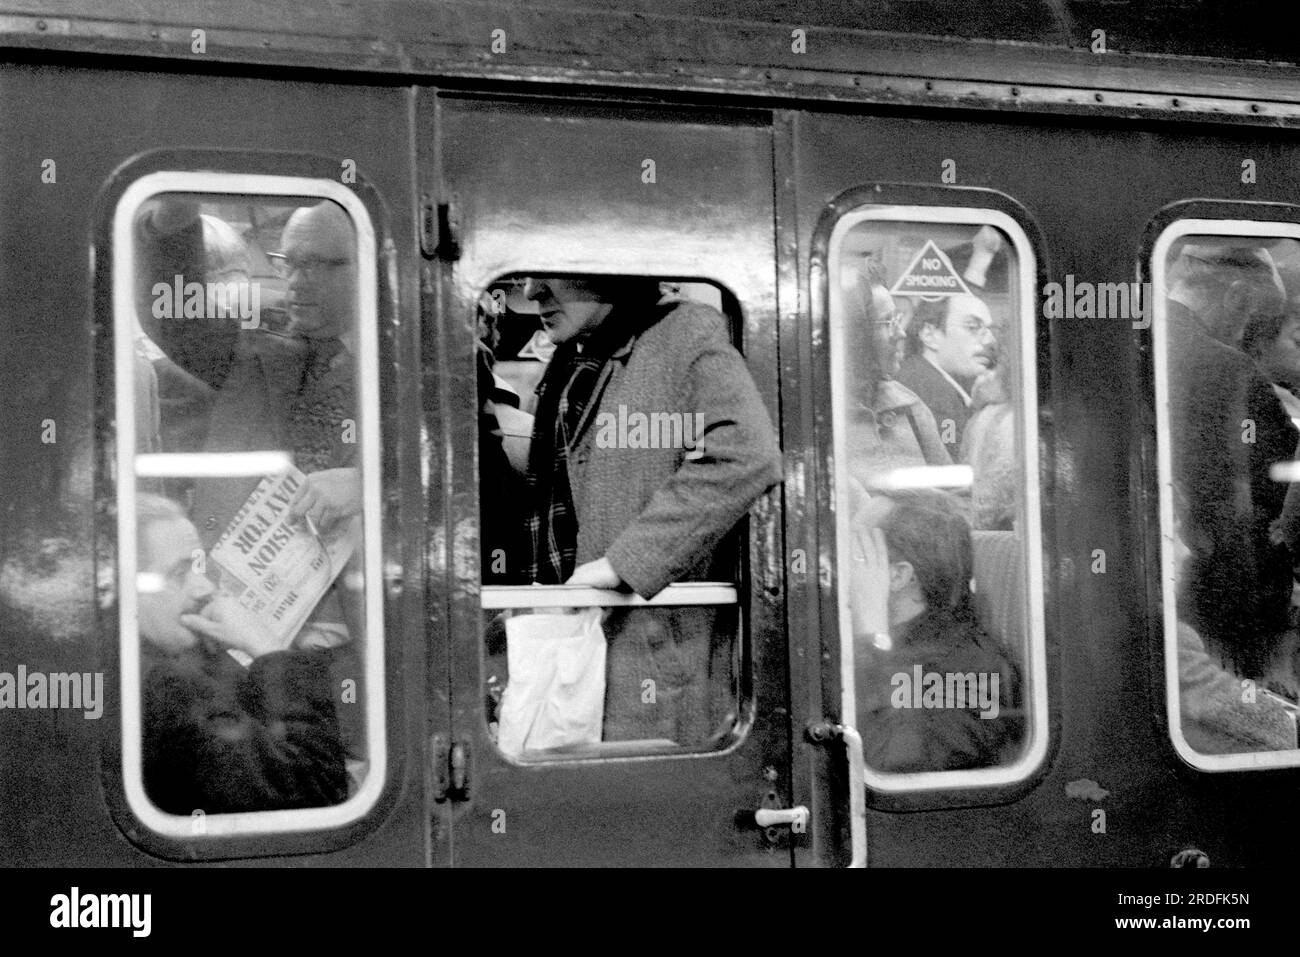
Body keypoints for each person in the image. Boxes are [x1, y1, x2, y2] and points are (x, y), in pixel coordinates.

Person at [521, 276, 782, 744]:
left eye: (548, 274)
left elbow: (744, 453)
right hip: (577, 637)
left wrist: (625, 564)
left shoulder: (683, 334)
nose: (531, 293)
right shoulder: (572, 358)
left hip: (648, 648)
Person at [135, 493, 347, 814]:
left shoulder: (160, 664)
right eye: (180, 574)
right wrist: (267, 647)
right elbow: (319, 787)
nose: (204, 587)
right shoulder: (166, 689)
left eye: (199, 567)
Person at [1166, 240, 1292, 678]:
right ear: (1236, 295)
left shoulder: (1128, 341)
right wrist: (1255, 631)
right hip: (1220, 614)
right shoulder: (1226, 369)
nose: (1246, 337)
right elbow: (1256, 505)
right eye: (1250, 320)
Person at [847, 489, 1022, 772]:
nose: (833, 567)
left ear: (897, 576)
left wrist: (871, 637)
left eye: (853, 555)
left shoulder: (977, 672)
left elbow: (891, 763)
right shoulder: (899, 644)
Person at [841, 258, 950, 487]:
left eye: (897, 319)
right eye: (888, 321)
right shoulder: (826, 415)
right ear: (857, 336)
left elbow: (953, 501)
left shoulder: (911, 408)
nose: (900, 333)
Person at [894, 293, 997, 457]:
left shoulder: (922, 377)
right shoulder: (935, 394)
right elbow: (955, 470)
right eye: (972, 327)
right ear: (929, 334)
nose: (989, 340)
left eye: (990, 329)